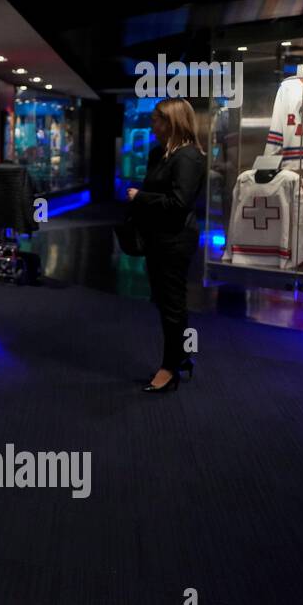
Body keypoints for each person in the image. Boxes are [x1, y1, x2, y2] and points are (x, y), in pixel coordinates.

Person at [127, 97, 206, 393]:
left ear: (171, 122)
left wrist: (140, 197)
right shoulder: (160, 154)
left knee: (172, 304)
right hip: (159, 238)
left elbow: (178, 203)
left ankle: (170, 367)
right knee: (166, 302)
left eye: (156, 119)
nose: (152, 125)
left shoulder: (187, 157)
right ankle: (181, 357)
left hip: (174, 240)